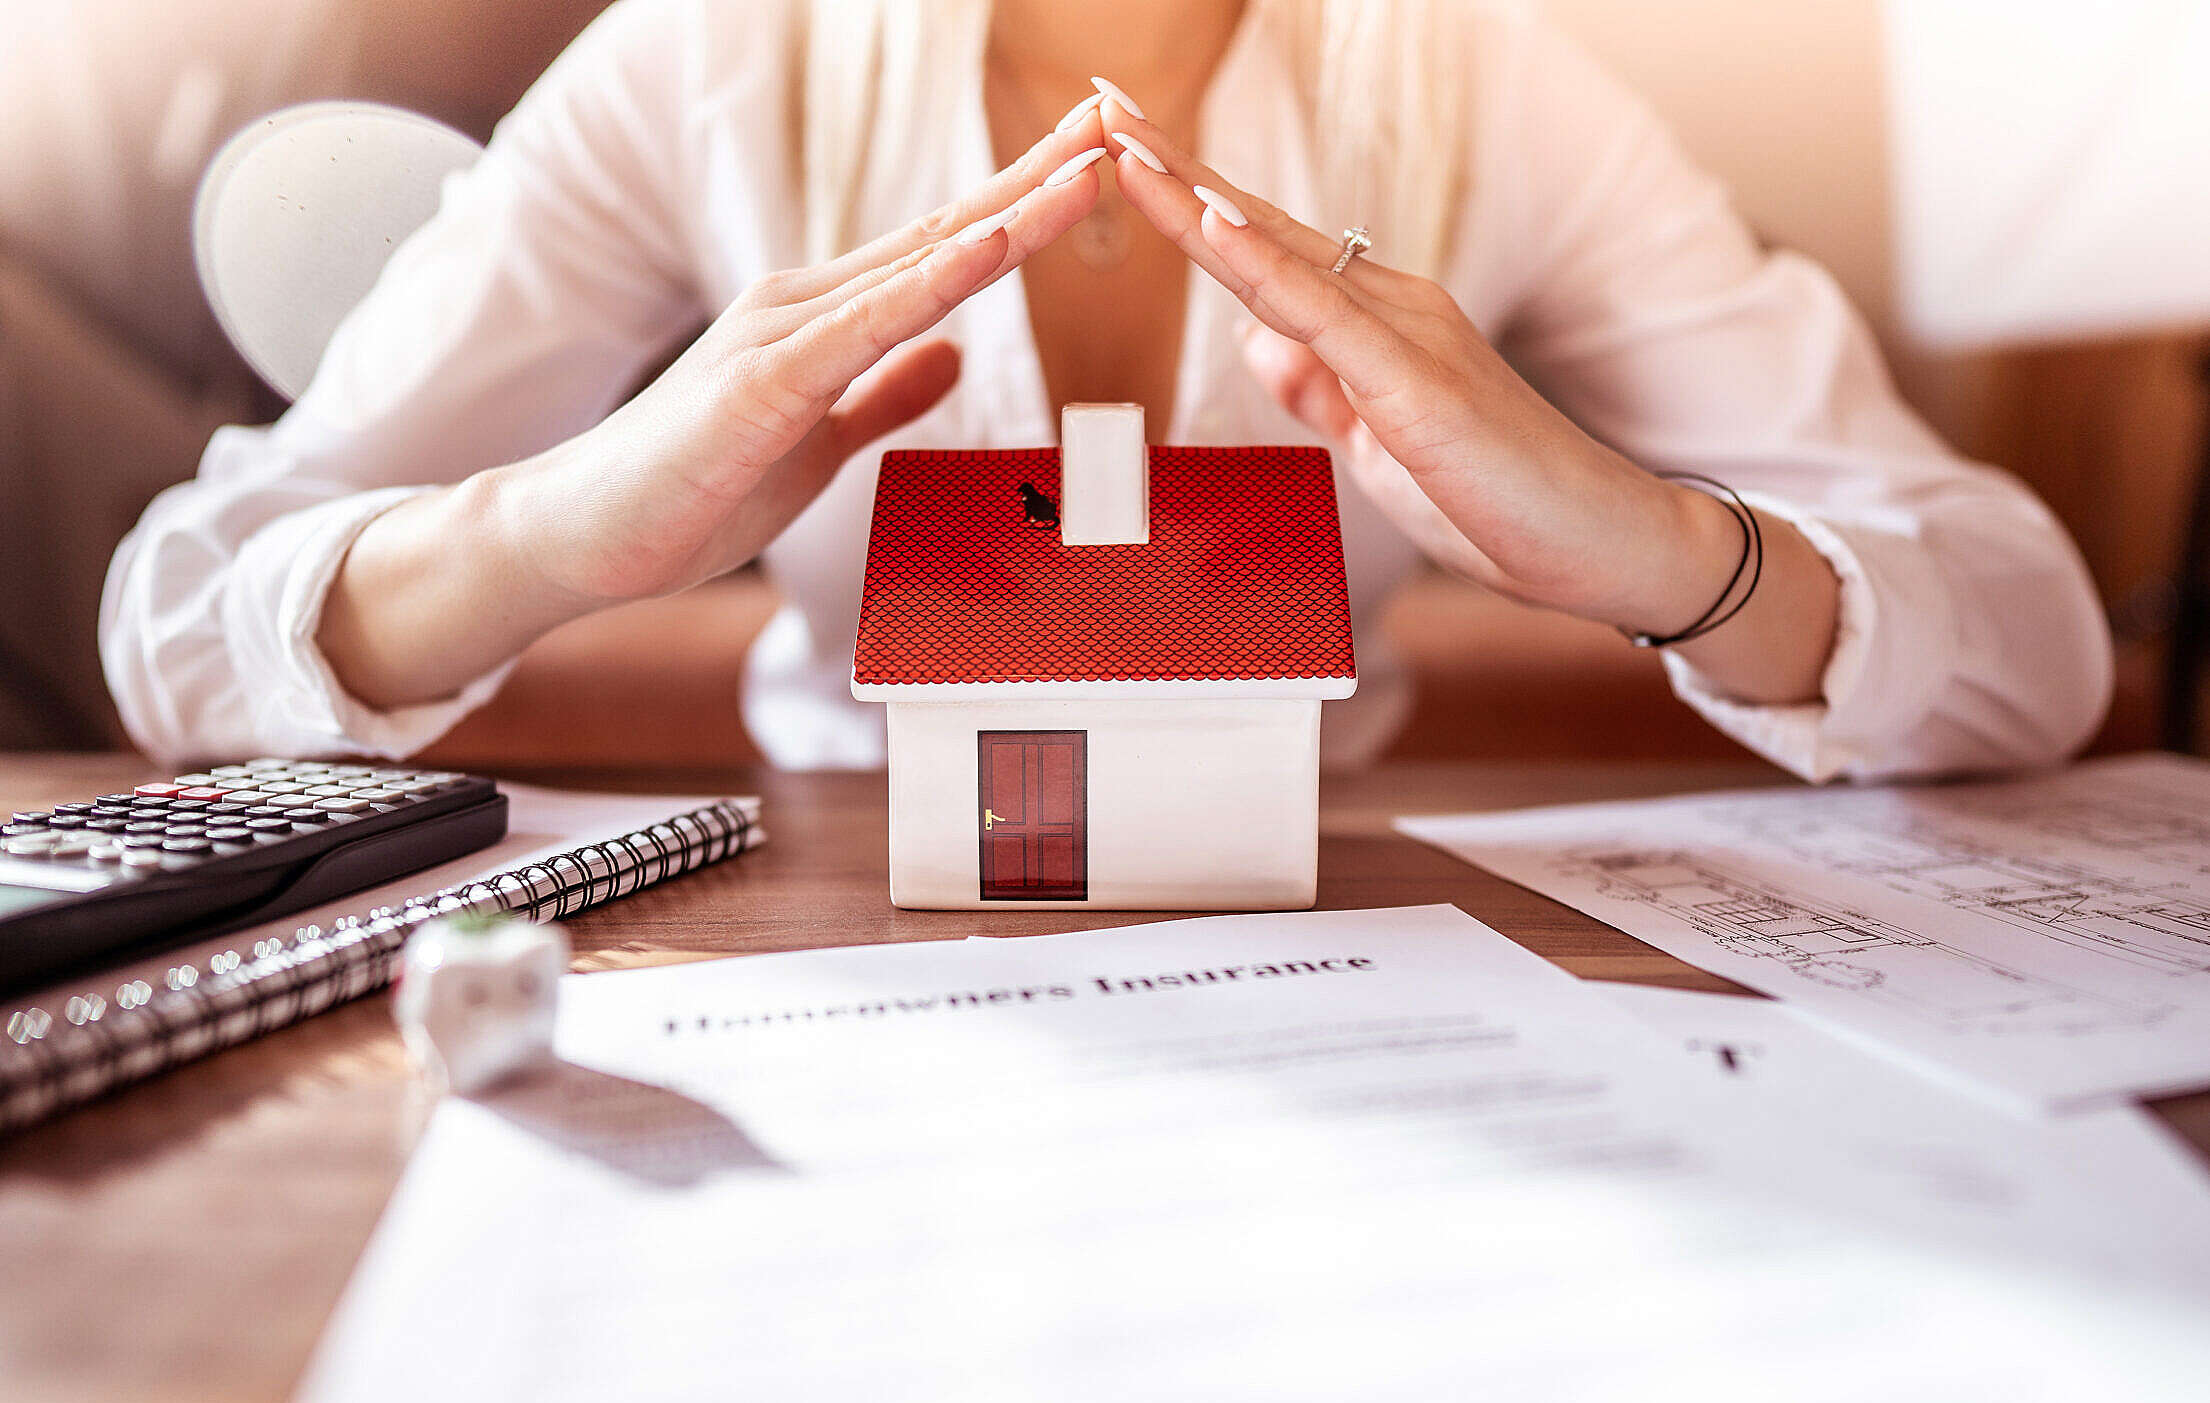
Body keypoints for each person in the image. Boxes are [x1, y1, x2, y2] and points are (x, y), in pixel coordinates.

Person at [99, 0, 2114, 781]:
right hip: (830, 914)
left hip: (1353, 908)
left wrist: (1667, 551)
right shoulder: (708, 59)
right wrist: (552, 528)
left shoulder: (1483, 77)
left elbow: (2024, 635)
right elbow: (184, 621)